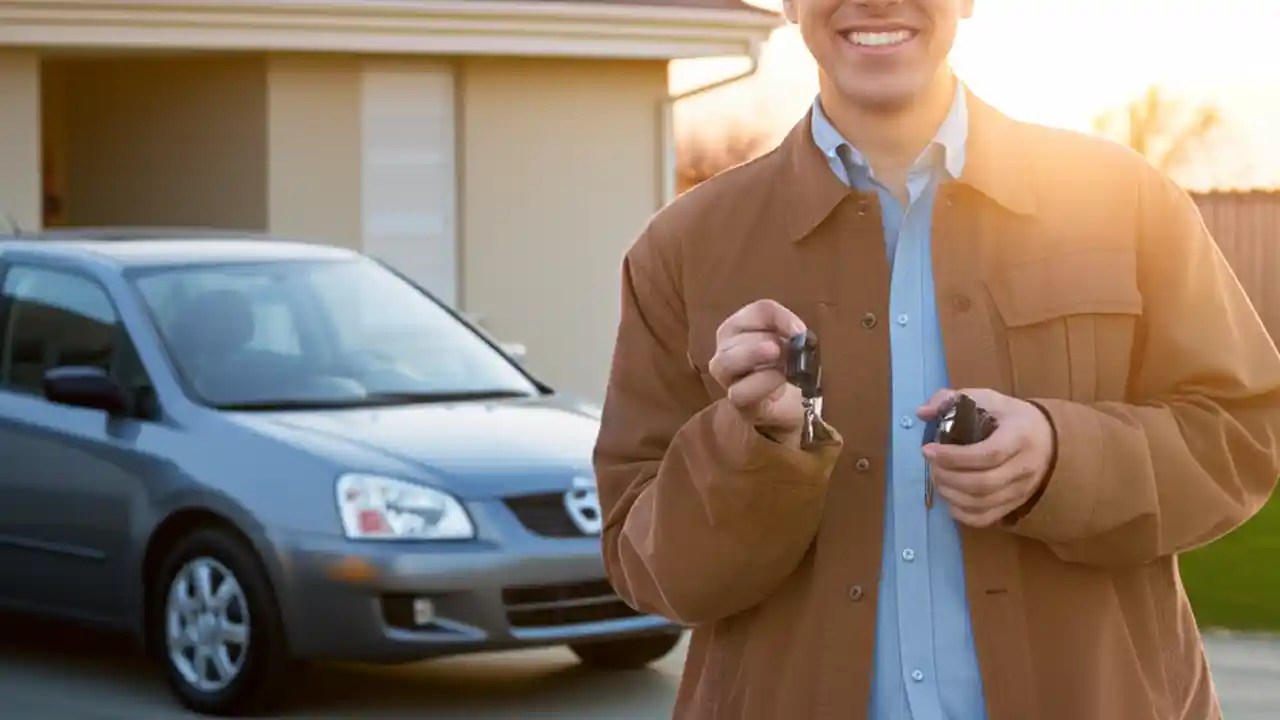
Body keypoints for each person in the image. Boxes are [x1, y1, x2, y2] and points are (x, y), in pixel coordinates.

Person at [592, 0, 1280, 718]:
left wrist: (1059, 456)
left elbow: (1242, 436)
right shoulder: (683, 249)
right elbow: (647, 567)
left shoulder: (1126, 200)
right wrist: (757, 446)